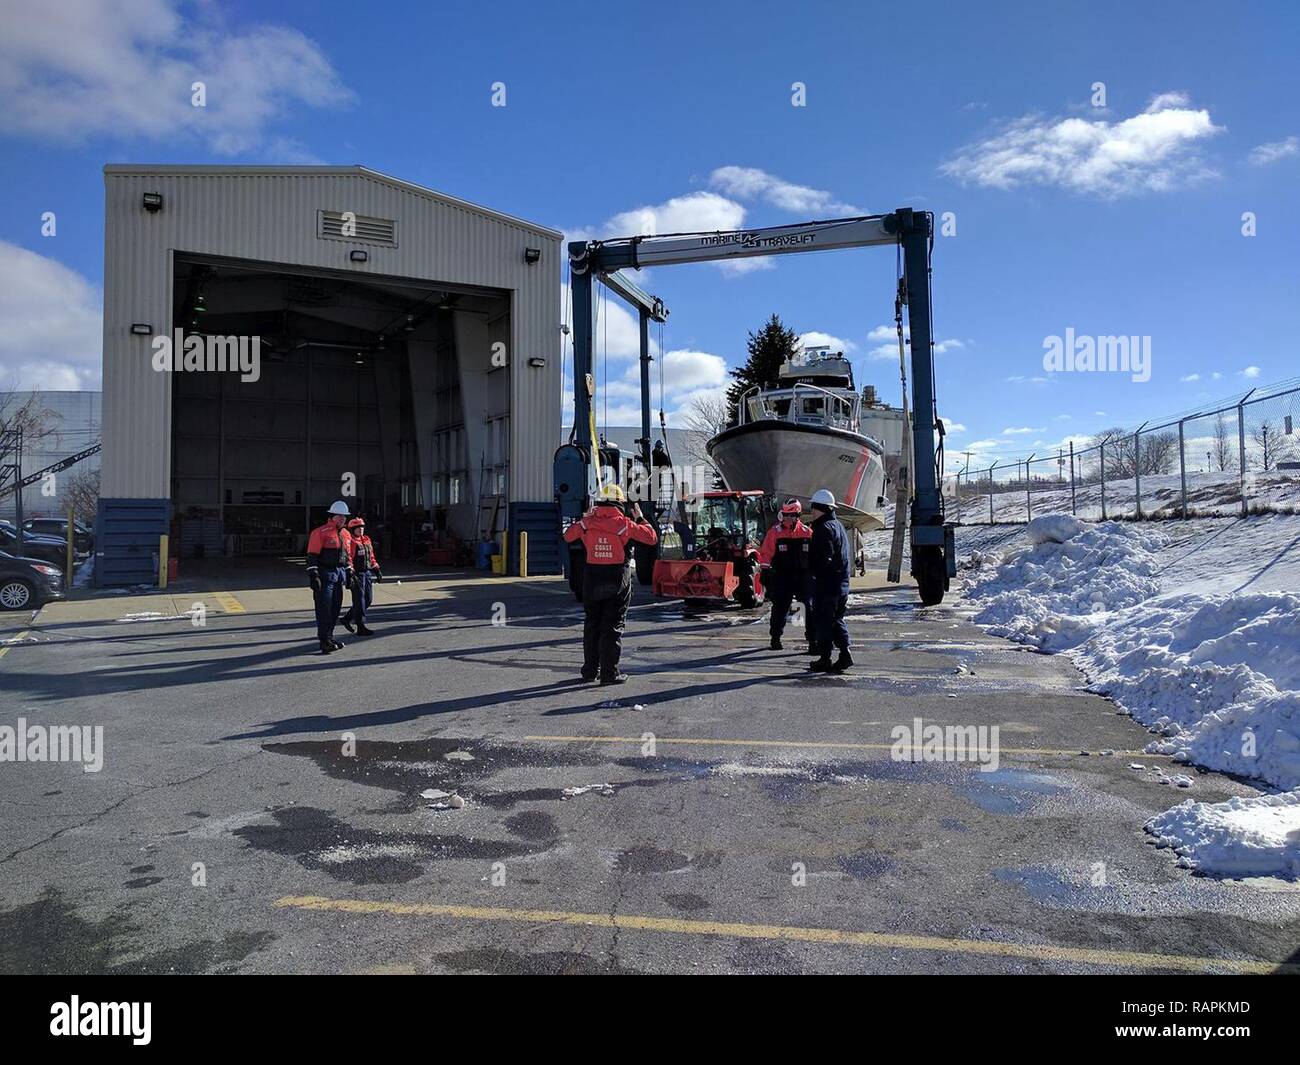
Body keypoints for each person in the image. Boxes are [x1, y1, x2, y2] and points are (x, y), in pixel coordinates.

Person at [563, 483, 658, 684]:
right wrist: (640, 517)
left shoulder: (587, 524)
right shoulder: (625, 524)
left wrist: (585, 518)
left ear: (597, 502)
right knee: (612, 627)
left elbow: (568, 536)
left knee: (592, 626)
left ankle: (589, 671)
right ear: (620, 503)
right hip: (617, 580)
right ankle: (609, 673)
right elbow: (651, 538)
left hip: (592, 579)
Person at [807, 488, 853, 673]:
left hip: (828, 585)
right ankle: (836, 655)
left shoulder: (823, 529)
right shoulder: (837, 525)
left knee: (827, 621)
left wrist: (815, 574)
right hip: (839, 583)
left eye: (812, 507)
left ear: (819, 508)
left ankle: (835, 656)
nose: (811, 511)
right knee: (834, 620)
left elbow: (824, 557)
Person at [757, 498, 813, 651]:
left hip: (803, 577)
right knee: (780, 608)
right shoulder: (775, 533)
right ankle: (775, 638)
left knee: (808, 608)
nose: (788, 518)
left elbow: (814, 556)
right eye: (786, 515)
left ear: (798, 515)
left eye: (792, 515)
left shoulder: (807, 533)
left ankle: (813, 640)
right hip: (782, 577)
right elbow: (766, 553)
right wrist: (765, 571)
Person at [306, 500, 356, 654]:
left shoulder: (346, 534)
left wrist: (350, 573)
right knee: (324, 609)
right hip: (325, 575)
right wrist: (314, 575)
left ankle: (330, 637)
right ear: (332, 516)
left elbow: (347, 556)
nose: (342, 519)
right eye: (339, 516)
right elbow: (312, 556)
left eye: (344, 516)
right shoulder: (320, 532)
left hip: (339, 575)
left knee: (335, 608)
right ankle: (324, 640)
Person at [341, 516, 381, 636]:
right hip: (357, 574)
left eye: (362, 527)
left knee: (368, 599)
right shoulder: (351, 542)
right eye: (357, 528)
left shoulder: (366, 540)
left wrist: (377, 569)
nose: (360, 529)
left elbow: (371, 557)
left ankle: (347, 618)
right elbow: (348, 558)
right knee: (359, 600)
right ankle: (360, 625)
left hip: (367, 572)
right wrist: (350, 573)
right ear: (352, 529)